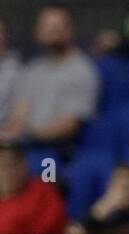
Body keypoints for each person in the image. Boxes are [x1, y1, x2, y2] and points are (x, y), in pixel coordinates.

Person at [0, 4, 100, 155]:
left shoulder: (83, 70)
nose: (52, 31)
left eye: (57, 26)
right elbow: (18, 114)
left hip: (55, 152)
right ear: (37, 31)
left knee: (48, 177)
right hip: (21, 150)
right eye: (46, 26)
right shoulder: (32, 70)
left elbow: (69, 126)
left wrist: (28, 134)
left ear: (69, 30)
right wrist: (10, 134)